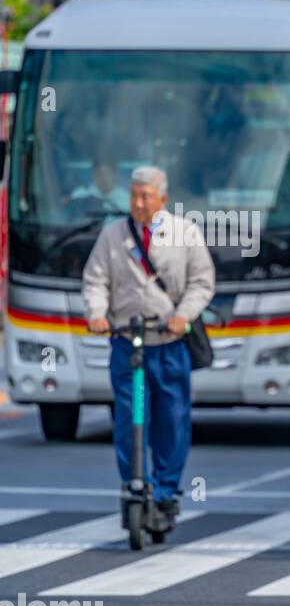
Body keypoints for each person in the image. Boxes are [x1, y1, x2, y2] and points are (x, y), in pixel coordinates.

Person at [82, 166, 214, 533]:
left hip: (168, 344)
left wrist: (183, 316)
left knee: (171, 421)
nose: (138, 203)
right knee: (129, 420)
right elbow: (95, 280)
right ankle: (134, 484)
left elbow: (202, 283)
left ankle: (167, 492)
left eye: (146, 196)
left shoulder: (184, 233)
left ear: (162, 199)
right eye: (134, 196)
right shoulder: (113, 235)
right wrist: (96, 314)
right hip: (127, 342)